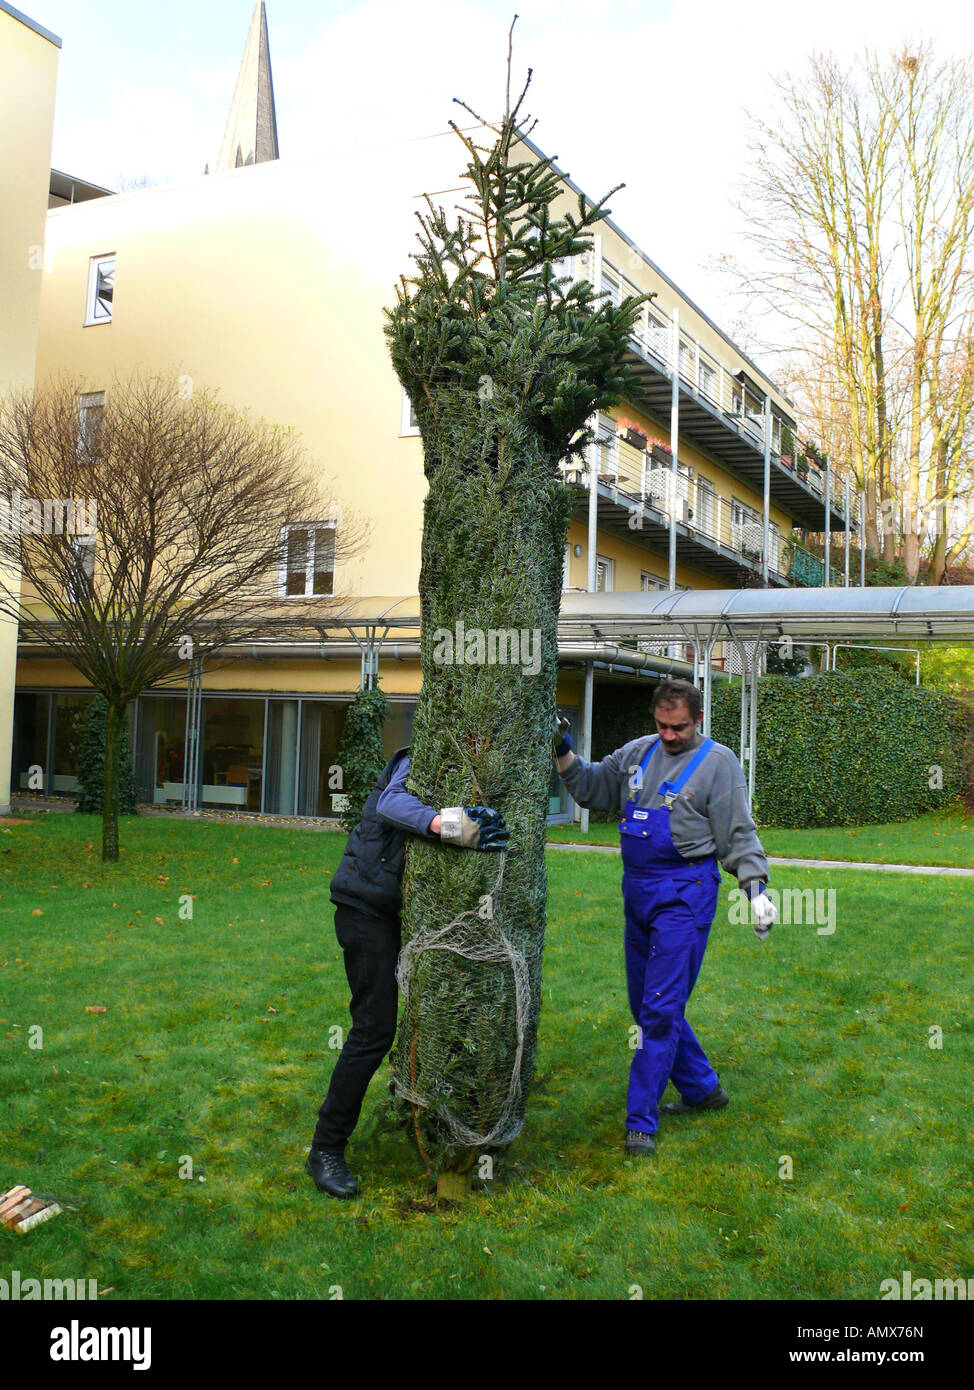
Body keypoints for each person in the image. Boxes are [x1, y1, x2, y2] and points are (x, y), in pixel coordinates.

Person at [553, 678, 777, 1155]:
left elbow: (738, 832)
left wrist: (755, 889)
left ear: (697, 719)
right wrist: (562, 751)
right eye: (662, 726)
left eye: (679, 727)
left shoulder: (719, 765)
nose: (669, 735)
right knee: (648, 1004)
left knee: (657, 1010)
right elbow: (593, 787)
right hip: (637, 893)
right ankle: (702, 1090)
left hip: (686, 894)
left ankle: (641, 1125)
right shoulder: (638, 753)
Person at [306, 746, 508, 1198]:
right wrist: (448, 825)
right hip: (366, 909)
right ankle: (325, 1150)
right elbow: (391, 803)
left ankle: (440, 1130)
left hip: (402, 916)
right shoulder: (420, 756)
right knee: (373, 1029)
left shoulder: (462, 764)